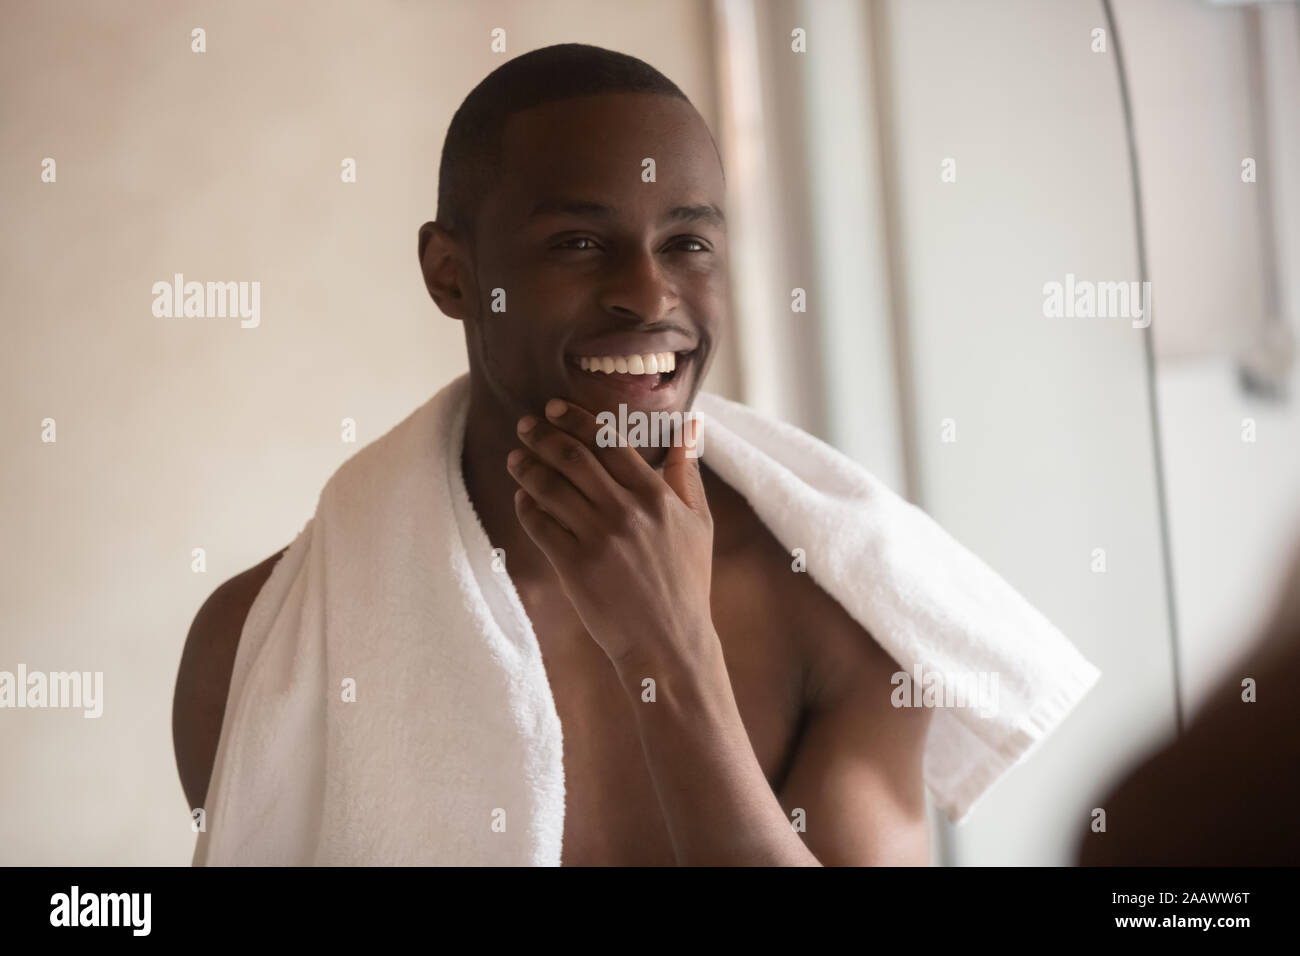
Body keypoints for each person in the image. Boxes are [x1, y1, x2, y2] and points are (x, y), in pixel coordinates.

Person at [173, 42, 937, 866]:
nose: (648, 295)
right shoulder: (260, 649)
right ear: (450, 276)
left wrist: (672, 654)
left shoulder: (843, 612)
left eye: (687, 243)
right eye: (578, 242)